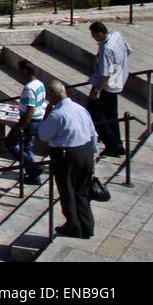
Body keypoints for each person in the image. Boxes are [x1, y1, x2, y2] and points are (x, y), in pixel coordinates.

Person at [36, 80, 97, 239]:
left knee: (67, 190)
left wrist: (46, 115)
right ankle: (87, 225)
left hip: (67, 155)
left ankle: (73, 226)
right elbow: (92, 133)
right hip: (86, 151)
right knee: (82, 190)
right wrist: (93, 152)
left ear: (51, 95)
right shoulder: (80, 109)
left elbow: (43, 134)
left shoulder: (57, 114)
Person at [88, 21, 129, 158]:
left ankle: (112, 144)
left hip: (106, 85)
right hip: (117, 81)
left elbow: (105, 74)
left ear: (100, 33)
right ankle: (116, 144)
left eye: (94, 34)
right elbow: (128, 51)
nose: (93, 37)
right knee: (111, 116)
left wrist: (97, 90)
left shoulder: (106, 49)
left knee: (98, 115)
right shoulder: (117, 36)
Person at [6, 60, 46, 183]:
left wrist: (21, 126)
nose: (19, 73)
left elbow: (30, 110)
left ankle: (34, 167)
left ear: (25, 71)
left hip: (29, 121)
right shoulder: (40, 84)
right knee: (27, 148)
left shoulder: (29, 88)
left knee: (10, 144)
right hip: (37, 119)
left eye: (20, 71)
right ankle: (33, 176)